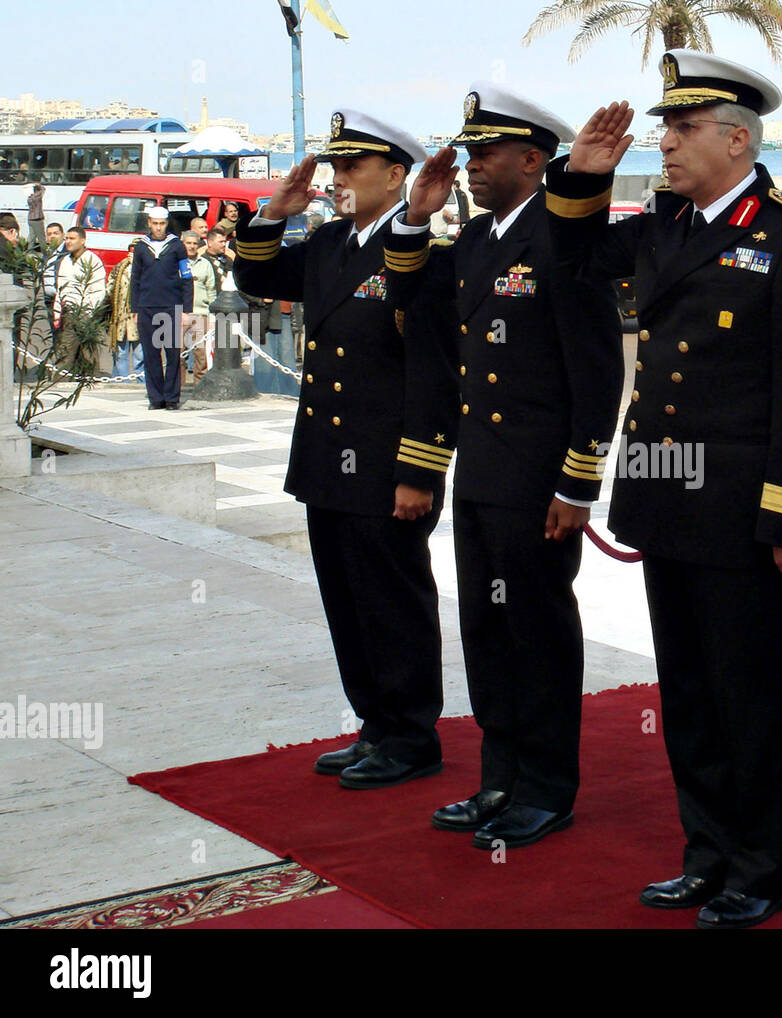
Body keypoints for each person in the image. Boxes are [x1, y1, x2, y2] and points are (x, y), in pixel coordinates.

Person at [547, 50, 782, 928]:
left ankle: (762, 868)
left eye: (683, 129)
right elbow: (571, 261)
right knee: (687, 693)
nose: (666, 143)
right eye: (665, 129)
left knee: (751, 699)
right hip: (666, 500)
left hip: (745, 514)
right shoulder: (664, 222)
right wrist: (583, 178)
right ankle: (707, 855)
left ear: (737, 138)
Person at [384, 85, 624, 849]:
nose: (472, 166)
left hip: (539, 481)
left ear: (531, 159)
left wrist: (578, 482)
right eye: (471, 154)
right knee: (487, 630)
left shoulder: (562, 238)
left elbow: (598, 371)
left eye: (486, 153)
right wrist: (416, 216)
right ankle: (500, 779)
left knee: (537, 633)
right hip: (483, 474)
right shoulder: (478, 239)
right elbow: (407, 294)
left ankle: (545, 788)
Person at [234, 109, 460, 789]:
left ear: (395, 176)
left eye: (352, 166)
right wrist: (273, 213)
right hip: (327, 455)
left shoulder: (421, 254)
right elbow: (259, 280)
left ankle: (412, 735)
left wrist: (419, 470)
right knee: (347, 599)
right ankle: (375, 725)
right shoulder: (330, 242)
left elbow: (434, 370)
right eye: (334, 166)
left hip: (386, 463)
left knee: (393, 601)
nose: (337, 178)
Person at [129, 206, 193, 409]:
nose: (158, 228)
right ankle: (156, 398)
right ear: (149, 223)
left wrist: (186, 310)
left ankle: (172, 398)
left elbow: (186, 277)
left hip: (171, 307)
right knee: (151, 355)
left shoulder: (177, 246)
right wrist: (135, 309)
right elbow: (135, 279)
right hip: (147, 307)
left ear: (167, 224)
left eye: (162, 224)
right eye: (155, 223)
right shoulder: (141, 247)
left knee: (173, 354)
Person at [51, 227, 106, 330]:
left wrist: (87, 314)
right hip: (65, 314)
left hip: (83, 314)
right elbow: (60, 289)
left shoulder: (92, 260)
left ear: (82, 241)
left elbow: (98, 290)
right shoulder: (65, 260)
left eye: (72, 239)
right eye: (66, 239)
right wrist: (57, 313)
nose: (68, 242)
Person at [183, 229, 217, 382]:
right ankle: (178, 389)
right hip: (180, 314)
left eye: (194, 243)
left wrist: (212, 317)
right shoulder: (175, 263)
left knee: (201, 356)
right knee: (177, 355)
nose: (191, 246)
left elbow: (211, 291)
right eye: (188, 243)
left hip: (201, 314)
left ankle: (200, 388)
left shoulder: (205, 264)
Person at [108, 240, 142, 378]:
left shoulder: (148, 269)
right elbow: (110, 288)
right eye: (131, 251)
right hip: (121, 317)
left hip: (139, 317)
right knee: (120, 354)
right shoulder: (119, 268)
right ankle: (121, 381)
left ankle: (142, 382)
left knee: (140, 354)